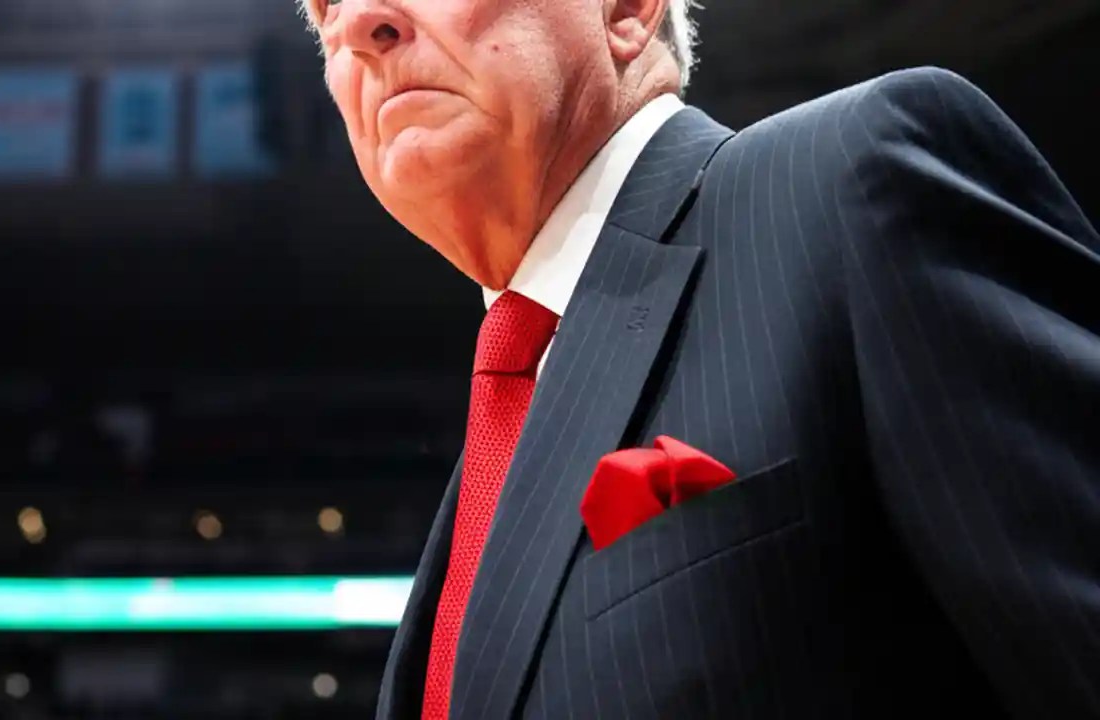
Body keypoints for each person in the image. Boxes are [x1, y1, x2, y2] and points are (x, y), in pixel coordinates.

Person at [298, 0, 1100, 717]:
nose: (361, 23)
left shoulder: (849, 183)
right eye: (326, 4)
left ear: (626, 9)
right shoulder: (508, 416)